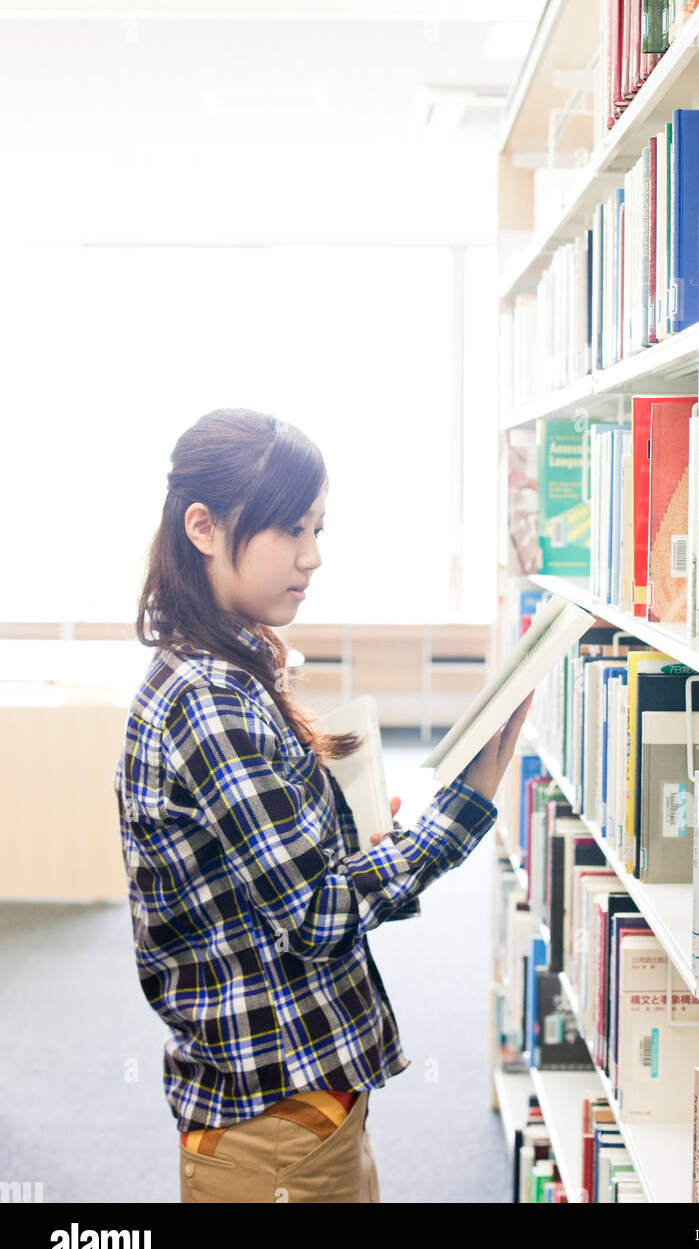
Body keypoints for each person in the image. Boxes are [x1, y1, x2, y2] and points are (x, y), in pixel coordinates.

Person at [113, 406, 532, 1204]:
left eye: (318, 528)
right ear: (203, 527)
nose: (311, 557)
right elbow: (316, 914)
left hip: (296, 1104)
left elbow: (268, 881)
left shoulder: (220, 671)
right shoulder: (209, 699)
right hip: (273, 1125)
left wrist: (345, 825)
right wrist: (465, 806)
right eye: (288, 531)